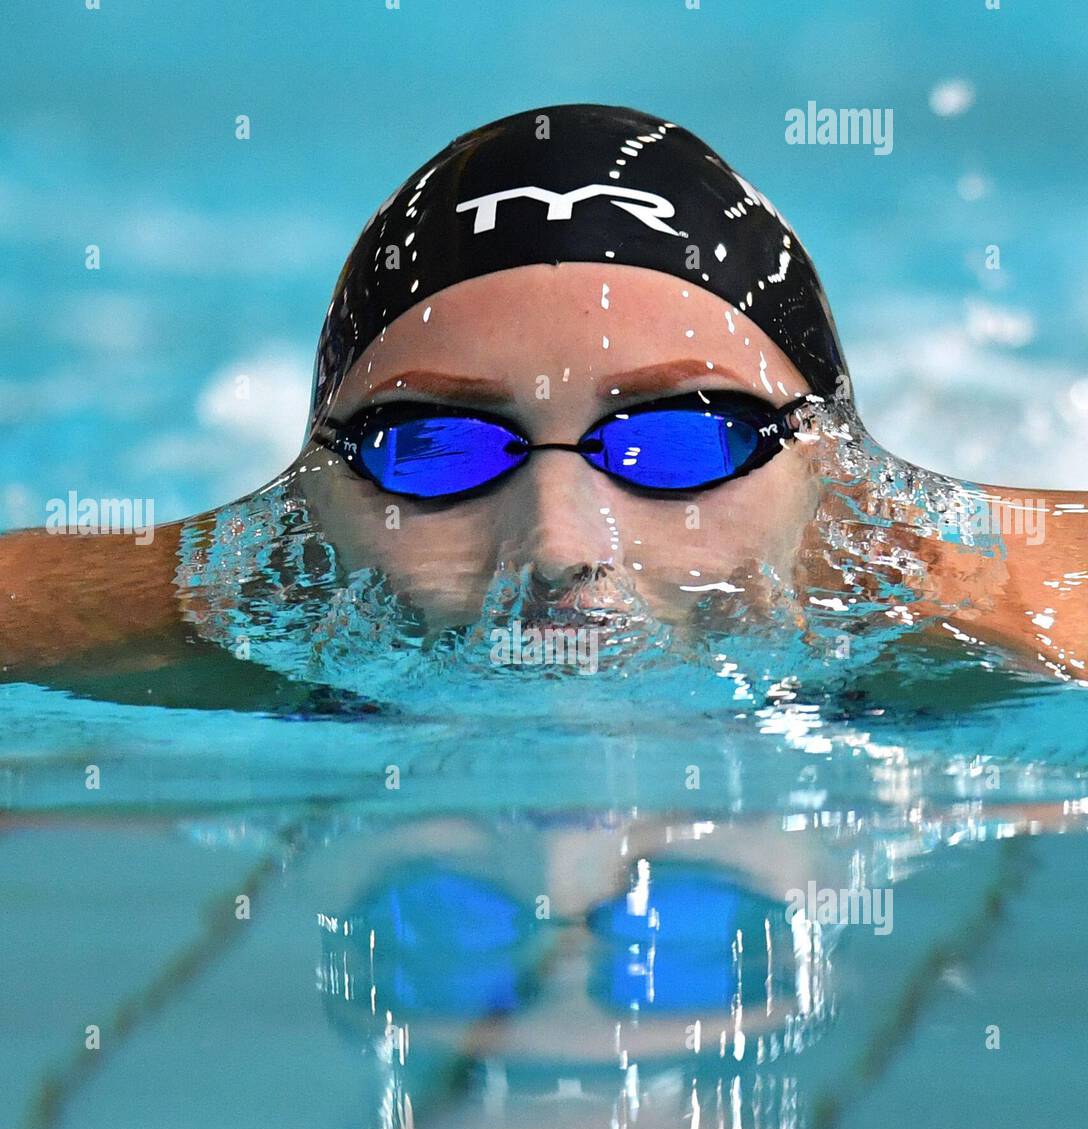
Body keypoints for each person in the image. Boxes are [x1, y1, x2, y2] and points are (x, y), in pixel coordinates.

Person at [2, 104, 1084, 703]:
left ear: (830, 476)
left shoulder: (976, 601)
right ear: (310, 498)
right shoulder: (250, 590)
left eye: (677, 442)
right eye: (435, 448)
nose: (558, 544)